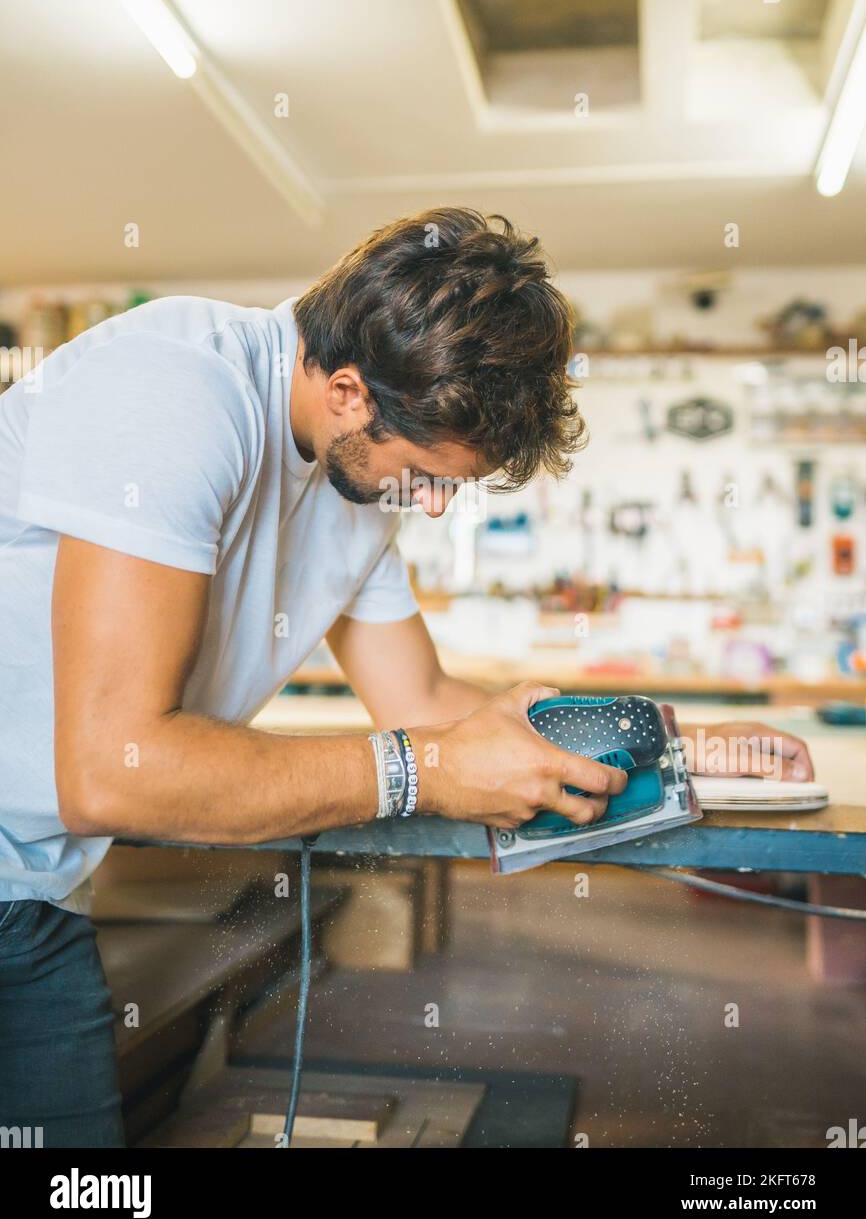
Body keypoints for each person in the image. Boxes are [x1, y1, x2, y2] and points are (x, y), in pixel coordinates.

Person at [0, 208, 813, 1146]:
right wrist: (420, 770)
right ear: (348, 391)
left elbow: (425, 703)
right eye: (426, 474)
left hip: (35, 898)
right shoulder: (175, 394)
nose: (428, 504)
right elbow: (116, 769)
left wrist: (674, 747)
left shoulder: (354, 480)